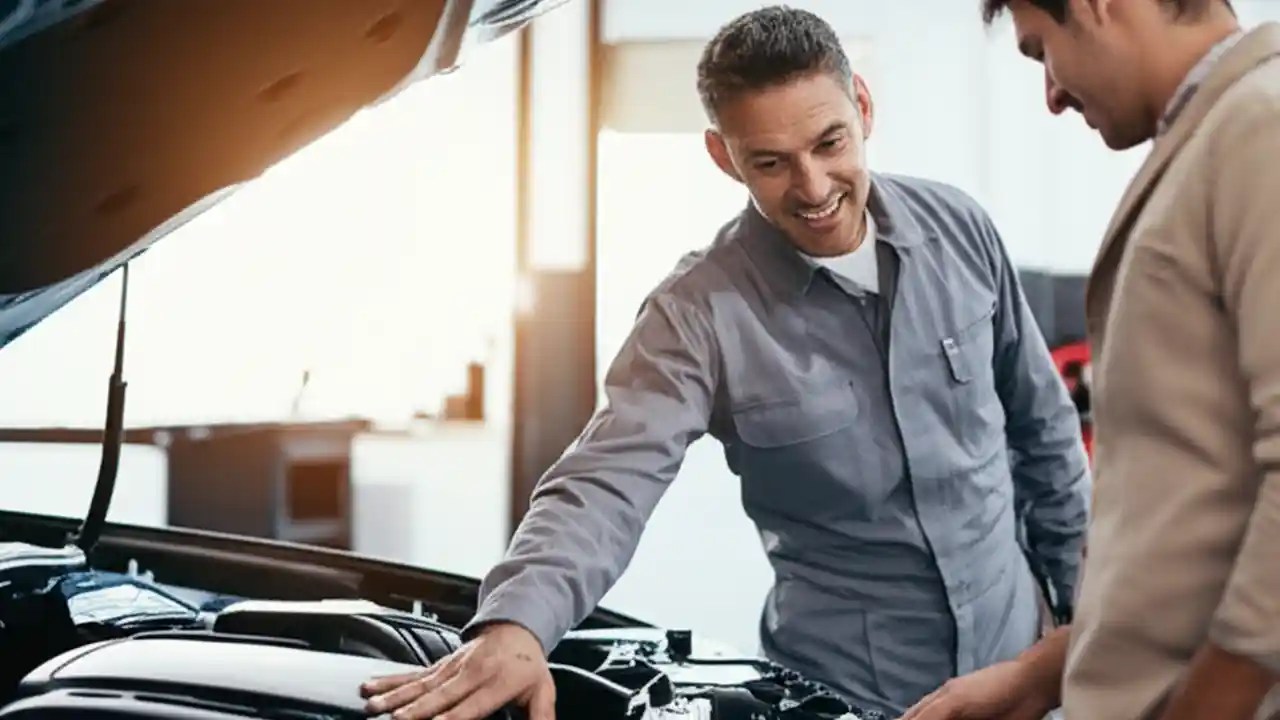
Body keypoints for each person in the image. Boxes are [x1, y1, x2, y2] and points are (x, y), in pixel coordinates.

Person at [361, 6, 1090, 719]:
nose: (811, 187)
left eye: (829, 143)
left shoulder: (961, 229)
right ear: (723, 156)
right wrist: (517, 623)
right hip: (856, 699)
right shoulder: (696, 313)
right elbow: (605, 483)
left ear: (862, 107)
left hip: (1019, 675)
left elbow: (1046, 435)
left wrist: (1087, 627)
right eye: (769, 163)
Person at [901, 1, 1280, 719]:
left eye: (1041, 49)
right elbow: (1187, 522)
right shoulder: (1211, 142)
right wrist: (1043, 673)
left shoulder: (1260, 129)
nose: (1052, 94)